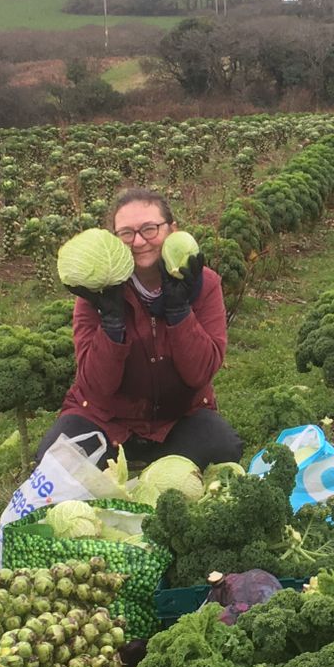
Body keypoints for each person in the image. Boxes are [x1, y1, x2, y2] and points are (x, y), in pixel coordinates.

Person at [35, 187, 242, 470]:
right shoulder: (98, 293)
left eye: (150, 228)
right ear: (115, 239)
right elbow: (96, 387)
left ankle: (156, 464)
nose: (140, 241)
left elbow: (200, 374)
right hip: (107, 418)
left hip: (177, 417)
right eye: (127, 233)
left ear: (172, 229)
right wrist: (111, 326)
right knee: (55, 463)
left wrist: (180, 312)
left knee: (223, 446)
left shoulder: (204, 285)